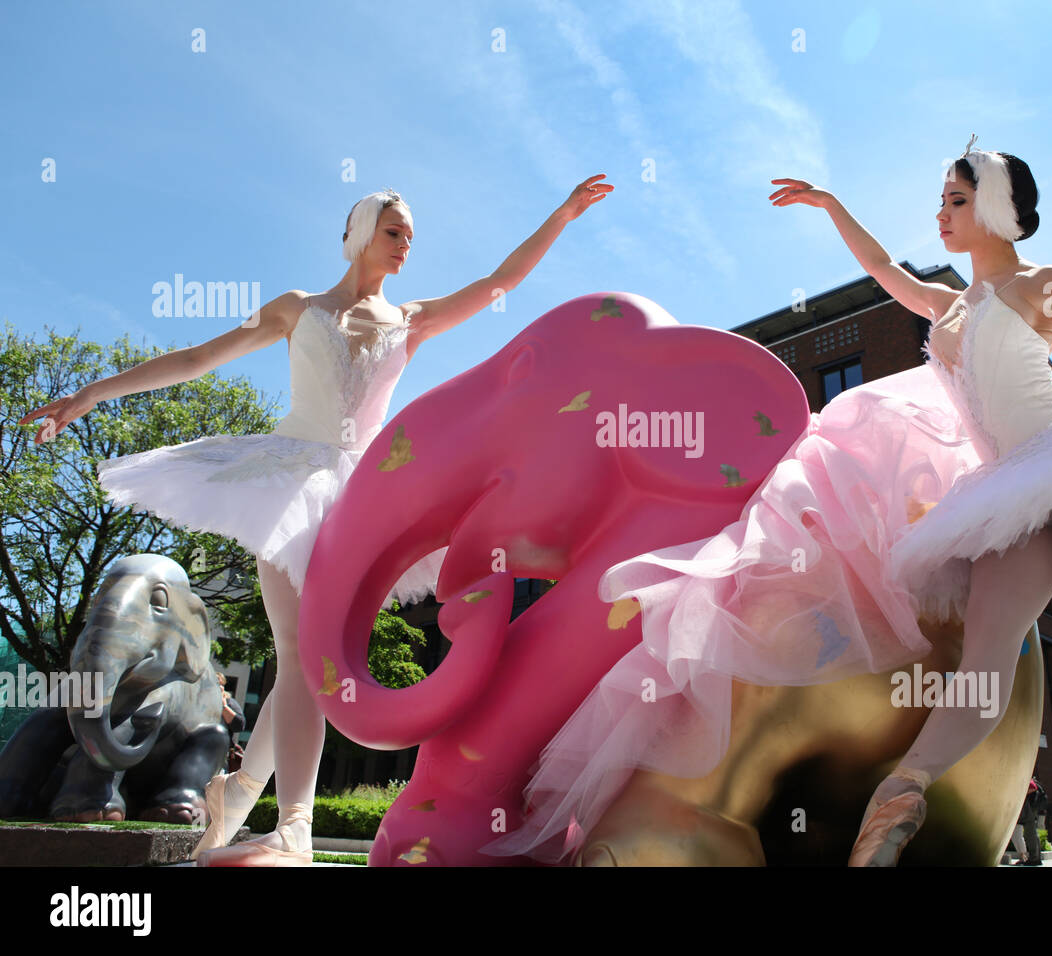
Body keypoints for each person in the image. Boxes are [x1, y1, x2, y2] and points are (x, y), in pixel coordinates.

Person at [478, 134, 1052, 867]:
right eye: (939, 199)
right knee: (999, 673)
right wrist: (833, 206)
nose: (941, 213)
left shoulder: (1042, 287)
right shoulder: (951, 309)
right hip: (1015, 491)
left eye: (956, 197)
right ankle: (902, 792)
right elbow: (885, 275)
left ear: (1001, 207)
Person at [18, 177, 613, 865]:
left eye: (411, 237)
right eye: (395, 232)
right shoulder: (298, 309)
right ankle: (293, 827)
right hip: (289, 483)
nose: (405, 246)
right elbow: (197, 358)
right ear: (362, 233)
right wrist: (93, 393)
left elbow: (498, 280)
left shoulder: (412, 319)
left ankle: (238, 798)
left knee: (311, 658)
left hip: (368, 497)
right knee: (301, 650)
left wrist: (563, 215)